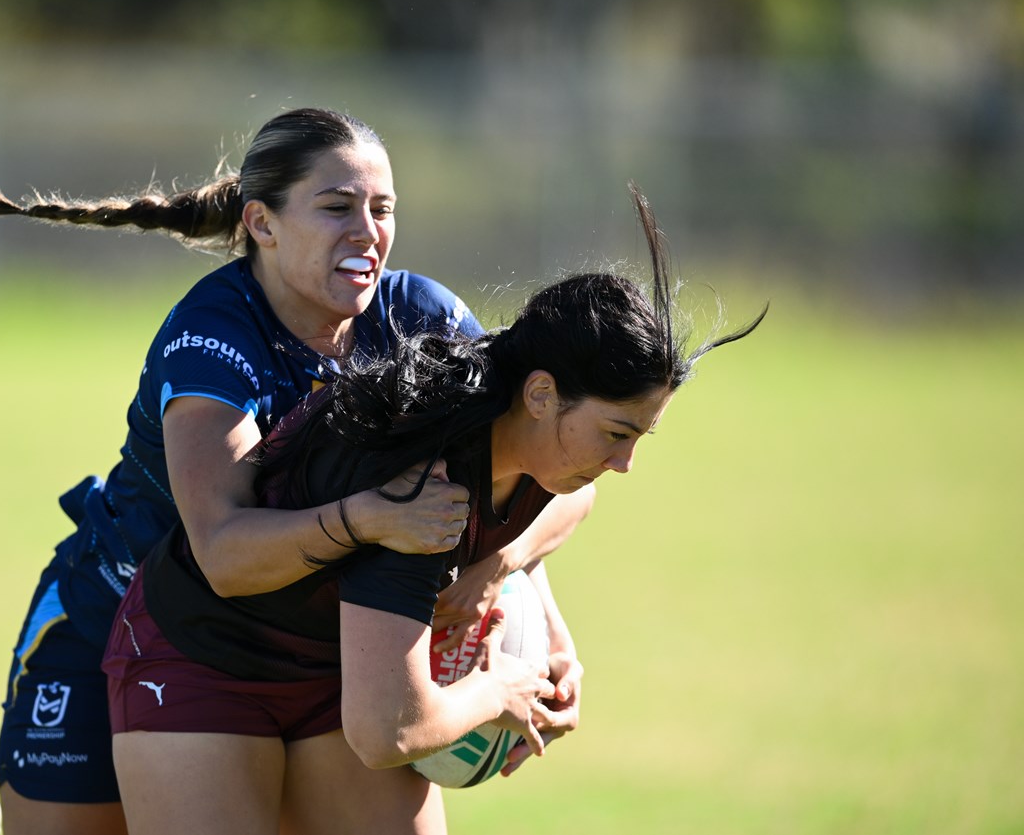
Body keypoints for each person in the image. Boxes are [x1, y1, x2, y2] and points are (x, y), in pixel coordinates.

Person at [0, 107, 593, 835]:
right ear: (261, 223)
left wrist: (509, 575)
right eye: (337, 208)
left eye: (382, 209)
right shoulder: (213, 340)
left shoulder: (424, 317)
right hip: (126, 615)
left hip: (307, 643)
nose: (368, 232)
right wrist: (367, 518)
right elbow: (224, 552)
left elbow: (548, 469)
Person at [101, 184, 767, 835]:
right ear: (541, 395)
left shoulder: (531, 427)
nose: (623, 464)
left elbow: (568, 501)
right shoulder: (426, 490)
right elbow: (388, 728)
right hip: (204, 654)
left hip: (336, 661)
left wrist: (532, 608)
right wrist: (502, 691)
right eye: (617, 433)